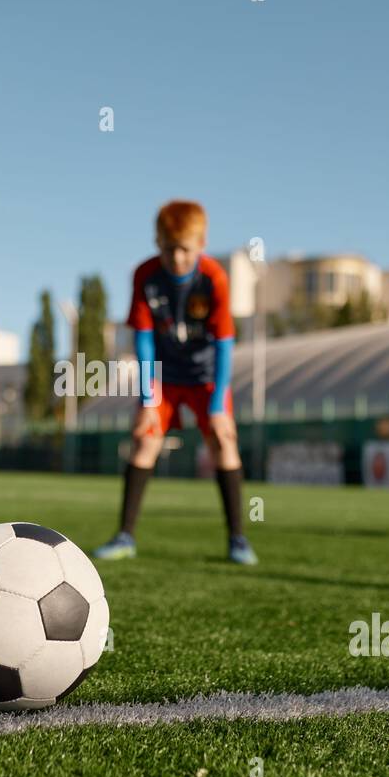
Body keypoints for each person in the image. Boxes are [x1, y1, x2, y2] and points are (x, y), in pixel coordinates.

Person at [93, 200, 257, 565]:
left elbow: (225, 342)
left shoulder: (214, 277)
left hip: (205, 377)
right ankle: (125, 536)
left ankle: (238, 539)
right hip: (163, 376)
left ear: (201, 244)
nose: (177, 258)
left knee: (223, 442)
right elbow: (144, 339)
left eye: (185, 249)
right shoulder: (145, 275)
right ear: (157, 242)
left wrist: (217, 407)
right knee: (143, 442)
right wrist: (148, 400)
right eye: (169, 248)